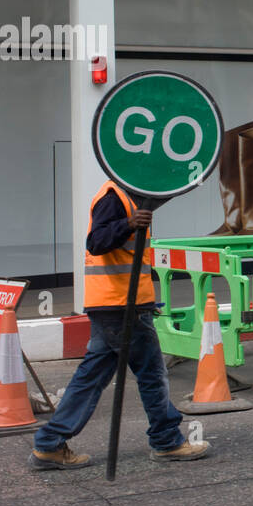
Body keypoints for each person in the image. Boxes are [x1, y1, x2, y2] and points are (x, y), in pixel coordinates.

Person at [31, 180, 211, 469]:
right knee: (151, 373)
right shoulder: (115, 197)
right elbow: (97, 241)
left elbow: (161, 193)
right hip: (123, 305)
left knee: (90, 377)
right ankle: (166, 440)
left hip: (112, 303)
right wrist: (129, 223)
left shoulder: (128, 195)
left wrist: (189, 177)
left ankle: (49, 444)